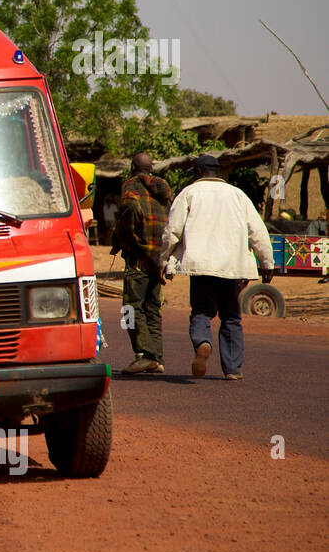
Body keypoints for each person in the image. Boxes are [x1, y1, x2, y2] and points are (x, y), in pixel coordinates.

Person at [159, 153, 276, 381]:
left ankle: (203, 342)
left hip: (200, 266)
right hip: (232, 266)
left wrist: (163, 260)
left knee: (202, 311)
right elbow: (258, 231)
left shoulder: (189, 193)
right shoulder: (238, 195)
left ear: (198, 173)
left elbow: (172, 232)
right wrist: (267, 263)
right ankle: (232, 368)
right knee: (231, 316)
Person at [111, 153, 173, 374]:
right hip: (158, 261)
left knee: (129, 309)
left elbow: (129, 212)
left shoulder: (131, 186)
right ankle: (156, 357)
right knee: (152, 309)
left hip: (138, 261)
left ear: (132, 167)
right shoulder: (162, 190)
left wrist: (122, 240)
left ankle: (145, 355)